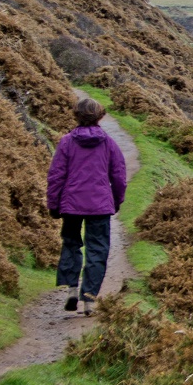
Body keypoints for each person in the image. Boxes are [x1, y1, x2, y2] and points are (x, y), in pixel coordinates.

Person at [47, 97, 127, 316]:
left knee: (71, 244)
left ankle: (72, 289)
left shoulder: (66, 142)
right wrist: (116, 200)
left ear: (76, 115)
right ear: (100, 116)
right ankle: (89, 299)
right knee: (98, 250)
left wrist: (53, 204)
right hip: (100, 205)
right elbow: (119, 176)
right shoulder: (109, 143)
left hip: (71, 204)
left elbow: (56, 176)